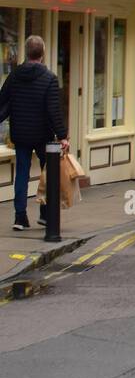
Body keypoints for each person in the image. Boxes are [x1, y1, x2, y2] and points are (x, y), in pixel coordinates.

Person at [0, 35, 68, 232]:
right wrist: (62, 135)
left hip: (20, 133)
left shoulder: (14, 76)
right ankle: (45, 215)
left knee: (21, 173)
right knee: (48, 174)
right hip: (43, 135)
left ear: (26, 52)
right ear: (42, 53)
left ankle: (20, 218)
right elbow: (53, 110)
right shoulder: (49, 78)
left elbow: (2, 99)